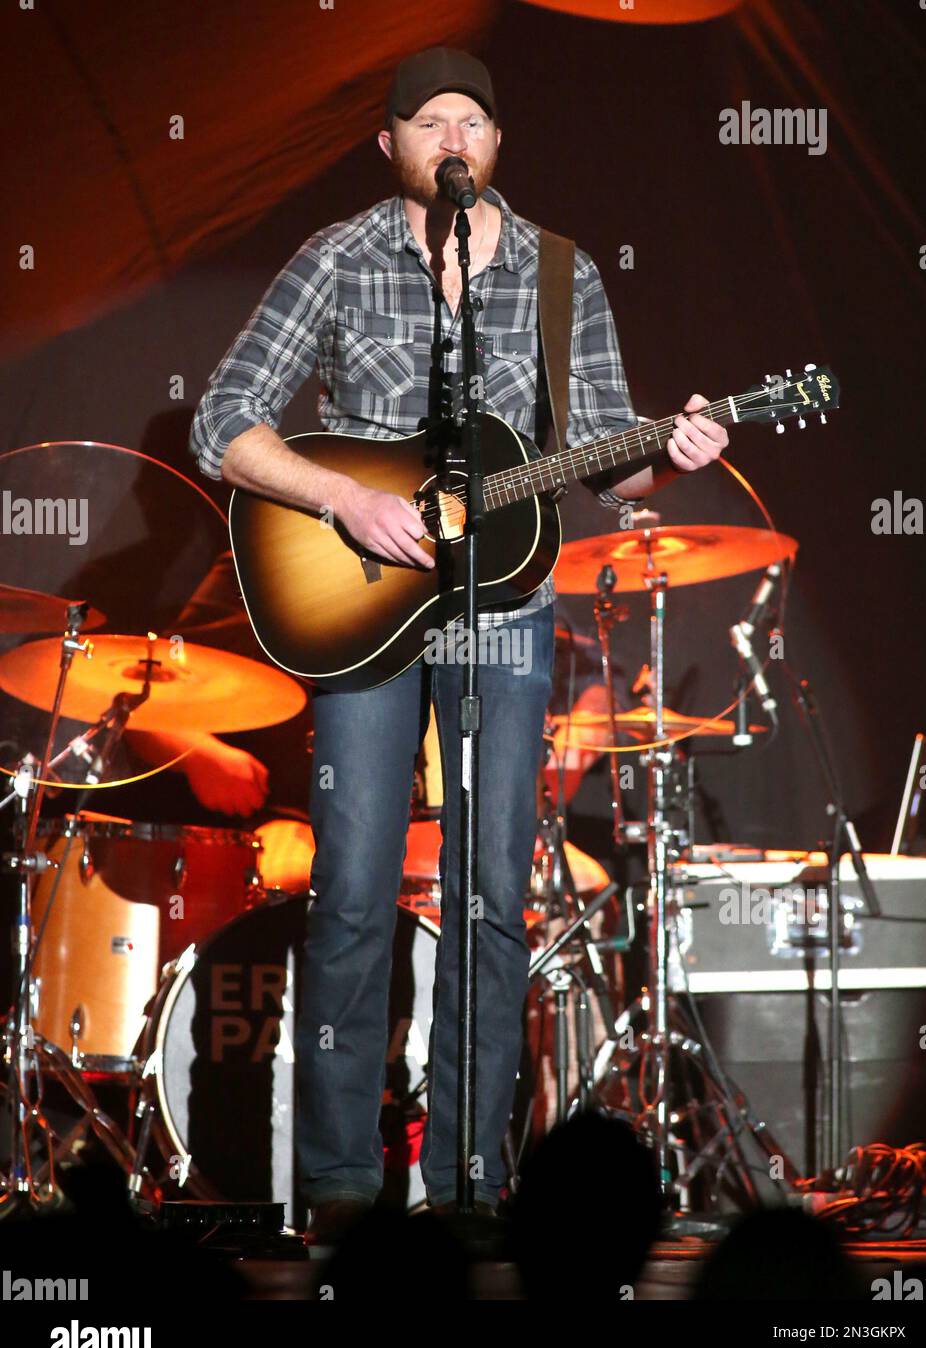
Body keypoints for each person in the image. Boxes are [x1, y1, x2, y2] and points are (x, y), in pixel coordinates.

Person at [189, 46, 728, 1241]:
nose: (452, 136)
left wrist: (666, 449)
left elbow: (603, 453)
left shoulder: (558, 272)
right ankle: (335, 1183)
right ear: (388, 144)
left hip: (503, 613)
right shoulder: (335, 256)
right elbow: (224, 416)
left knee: (493, 899)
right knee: (352, 892)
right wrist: (342, 498)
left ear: (495, 147)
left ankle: (468, 1184)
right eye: (428, 118)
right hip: (363, 603)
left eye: (473, 120)